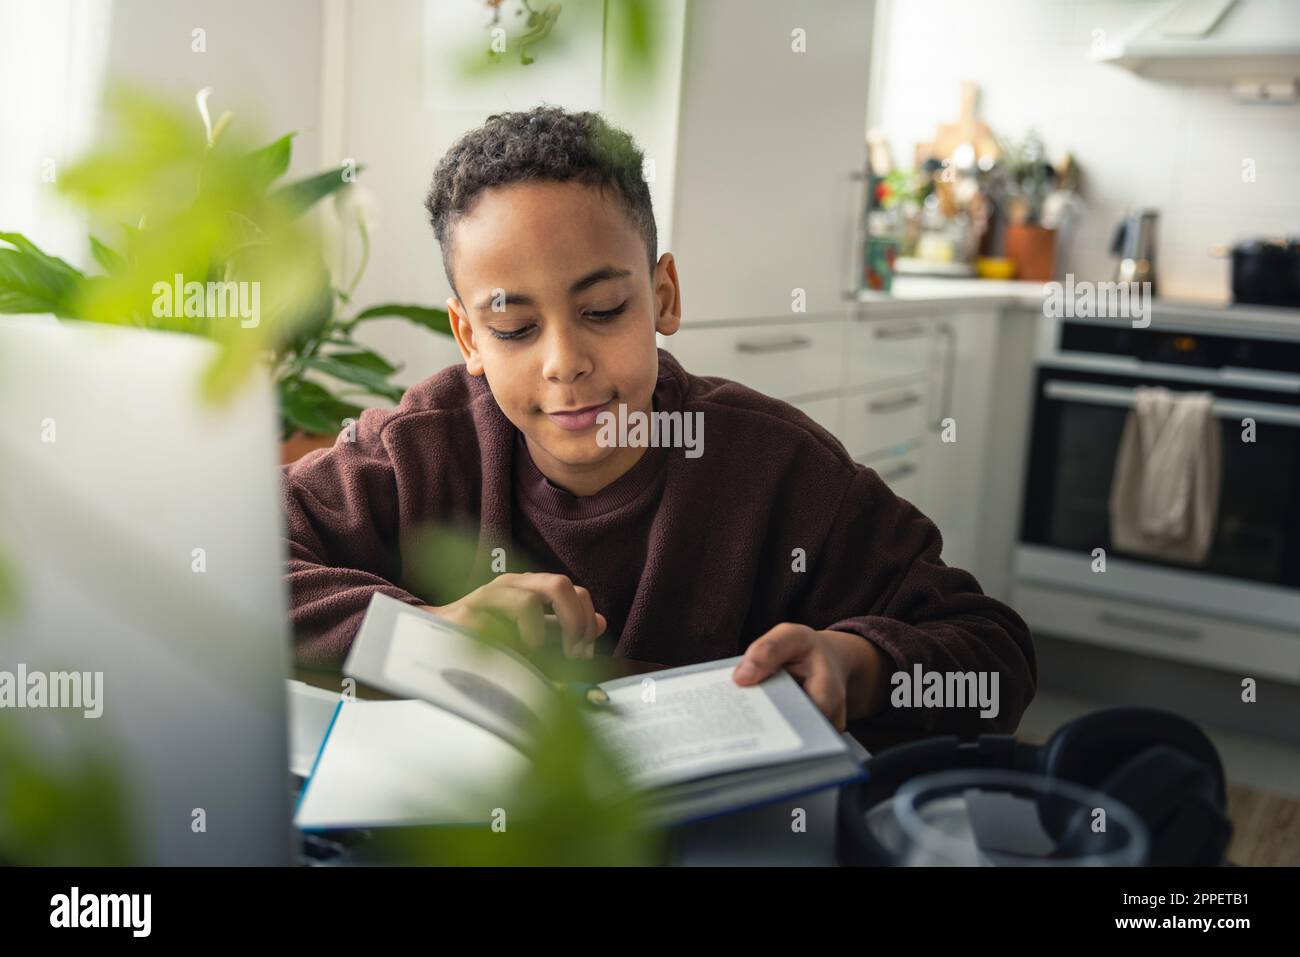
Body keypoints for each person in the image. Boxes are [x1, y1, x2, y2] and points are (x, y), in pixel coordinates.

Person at [280, 105, 1035, 735]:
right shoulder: (421, 449)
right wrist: (428, 632)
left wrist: (859, 667)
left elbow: (995, 657)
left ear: (663, 294)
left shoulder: (778, 469)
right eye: (515, 329)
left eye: (603, 309)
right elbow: (230, 556)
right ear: (470, 336)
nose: (565, 361)